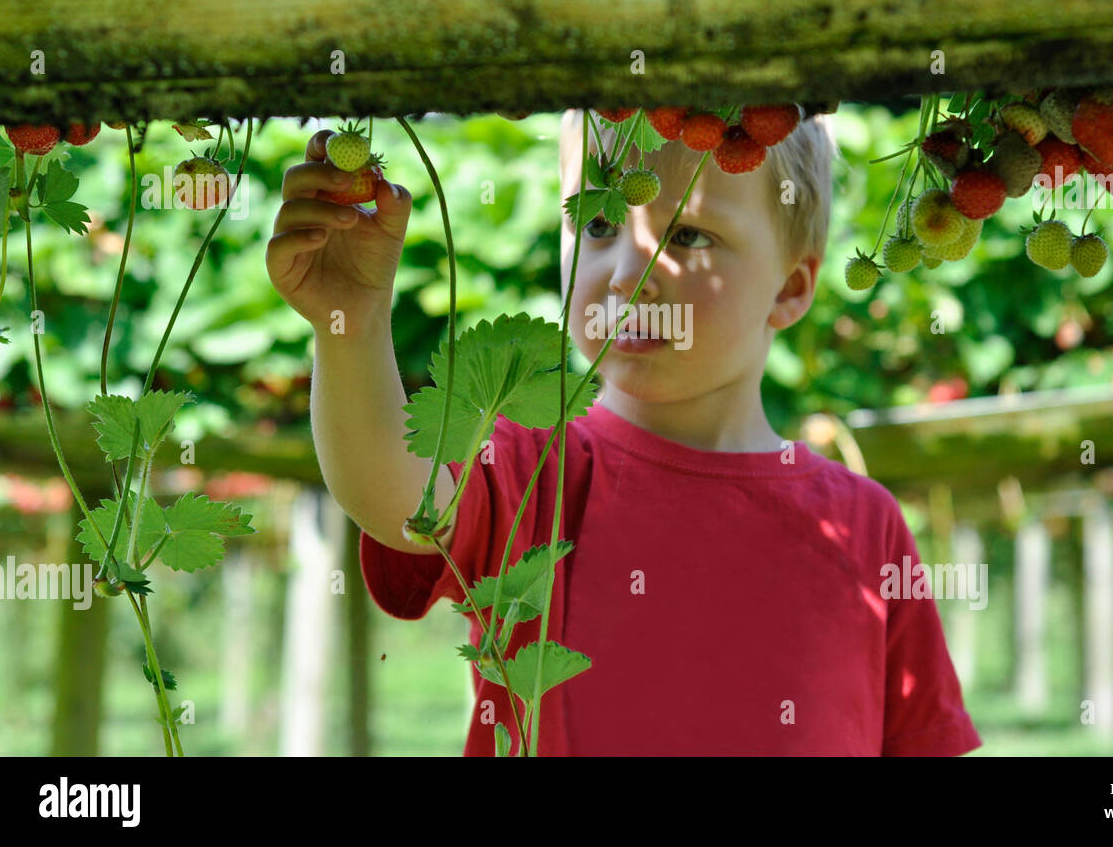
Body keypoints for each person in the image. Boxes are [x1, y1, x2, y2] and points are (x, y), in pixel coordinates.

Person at [267, 108, 982, 756]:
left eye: (690, 234)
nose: (627, 272)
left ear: (792, 287)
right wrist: (350, 325)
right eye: (600, 223)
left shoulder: (867, 526)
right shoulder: (533, 462)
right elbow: (396, 498)